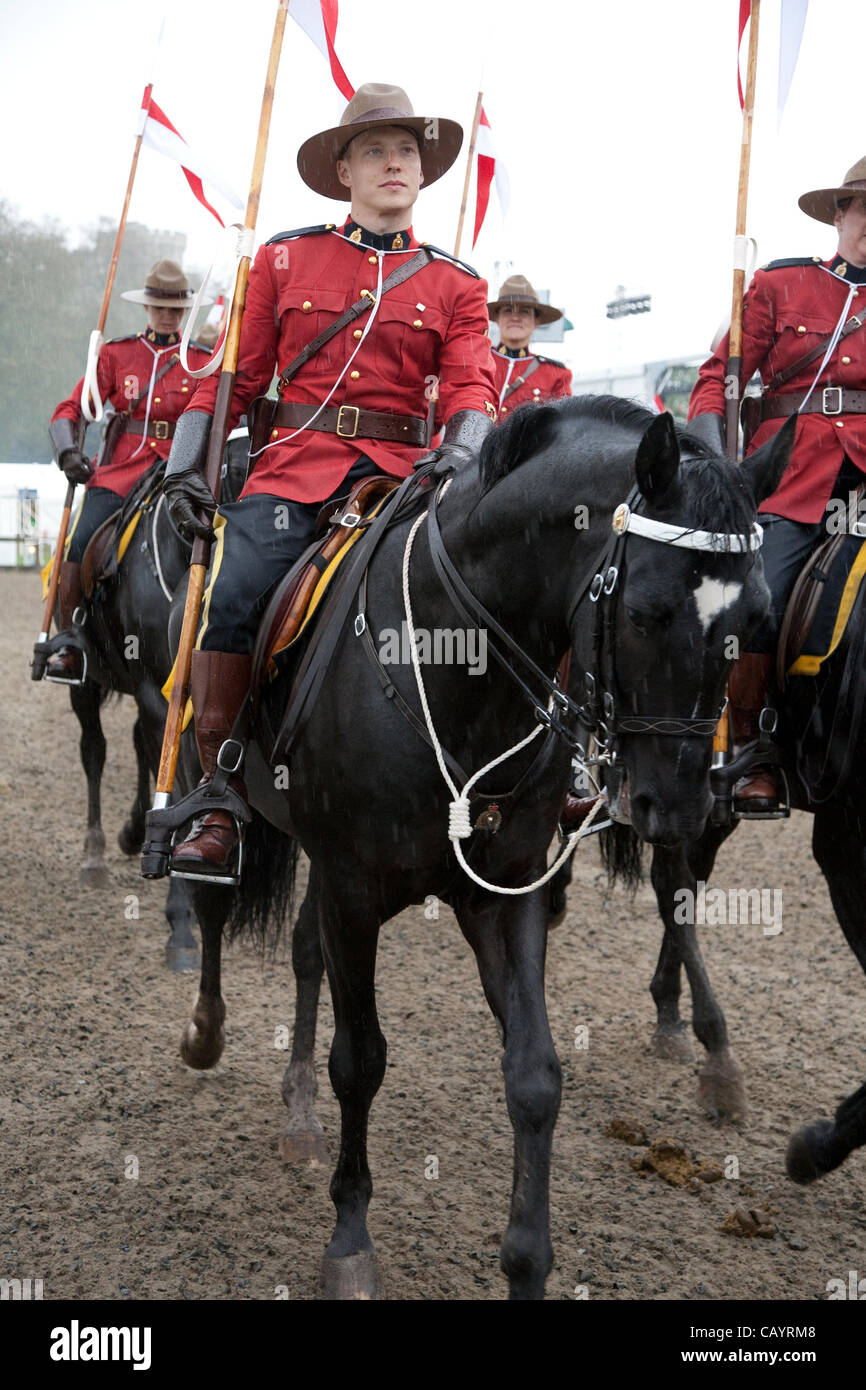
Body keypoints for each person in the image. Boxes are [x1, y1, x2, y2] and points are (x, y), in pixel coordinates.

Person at [162, 82, 499, 876]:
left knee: (490, 593)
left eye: (407, 152)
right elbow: (230, 380)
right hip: (295, 473)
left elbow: (471, 390)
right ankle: (218, 795)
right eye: (376, 151)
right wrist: (184, 467)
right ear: (343, 171)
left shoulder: (457, 283)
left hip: (403, 480)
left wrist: (462, 449)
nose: (395, 164)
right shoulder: (284, 258)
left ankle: (502, 779)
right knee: (237, 590)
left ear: (422, 173)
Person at [689, 157, 866, 812]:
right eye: (865, 208)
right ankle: (754, 747)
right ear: (840, 215)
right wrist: (713, 457)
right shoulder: (780, 285)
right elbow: (718, 379)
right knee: (756, 589)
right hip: (795, 474)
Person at [47, 261, 212, 680]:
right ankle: (71, 640)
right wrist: (69, 452)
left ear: (185, 312)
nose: (167, 316)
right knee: (79, 542)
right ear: (147, 307)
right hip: (122, 471)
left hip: (183, 472)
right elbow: (71, 409)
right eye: (159, 307)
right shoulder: (117, 355)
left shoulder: (201, 361)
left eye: (175, 310)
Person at [488, 275, 572, 416]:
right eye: (508, 310)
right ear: (496, 318)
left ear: (536, 321)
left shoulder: (556, 374)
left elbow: (562, 426)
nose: (515, 317)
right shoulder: (478, 363)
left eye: (524, 311)